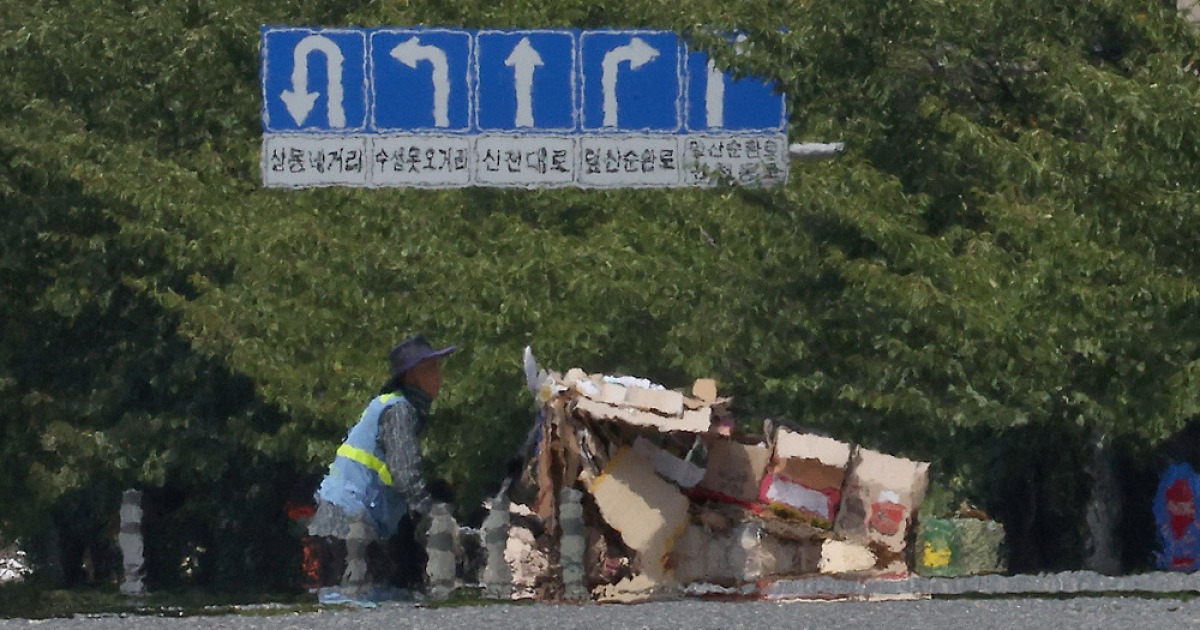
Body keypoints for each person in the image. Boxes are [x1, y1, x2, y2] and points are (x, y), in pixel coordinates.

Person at [306, 334, 457, 603]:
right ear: (412, 376)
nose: (440, 378)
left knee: (357, 602)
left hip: (342, 521)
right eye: (432, 369)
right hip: (348, 524)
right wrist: (434, 517)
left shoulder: (395, 406)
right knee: (363, 604)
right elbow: (406, 474)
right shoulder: (400, 411)